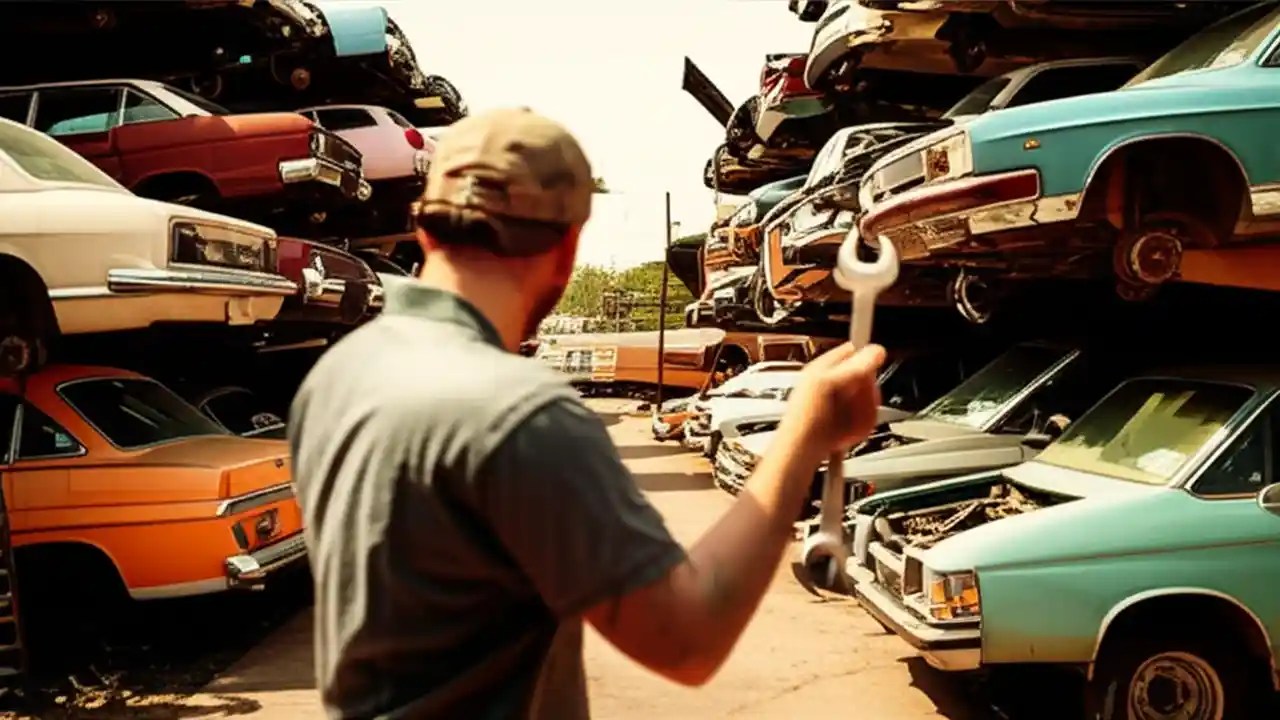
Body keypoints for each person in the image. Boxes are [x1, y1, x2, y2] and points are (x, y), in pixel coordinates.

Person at [288, 107, 886, 719]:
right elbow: (687, 640)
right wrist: (806, 430)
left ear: (424, 229)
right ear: (567, 244)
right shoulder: (519, 414)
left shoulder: (334, 378)